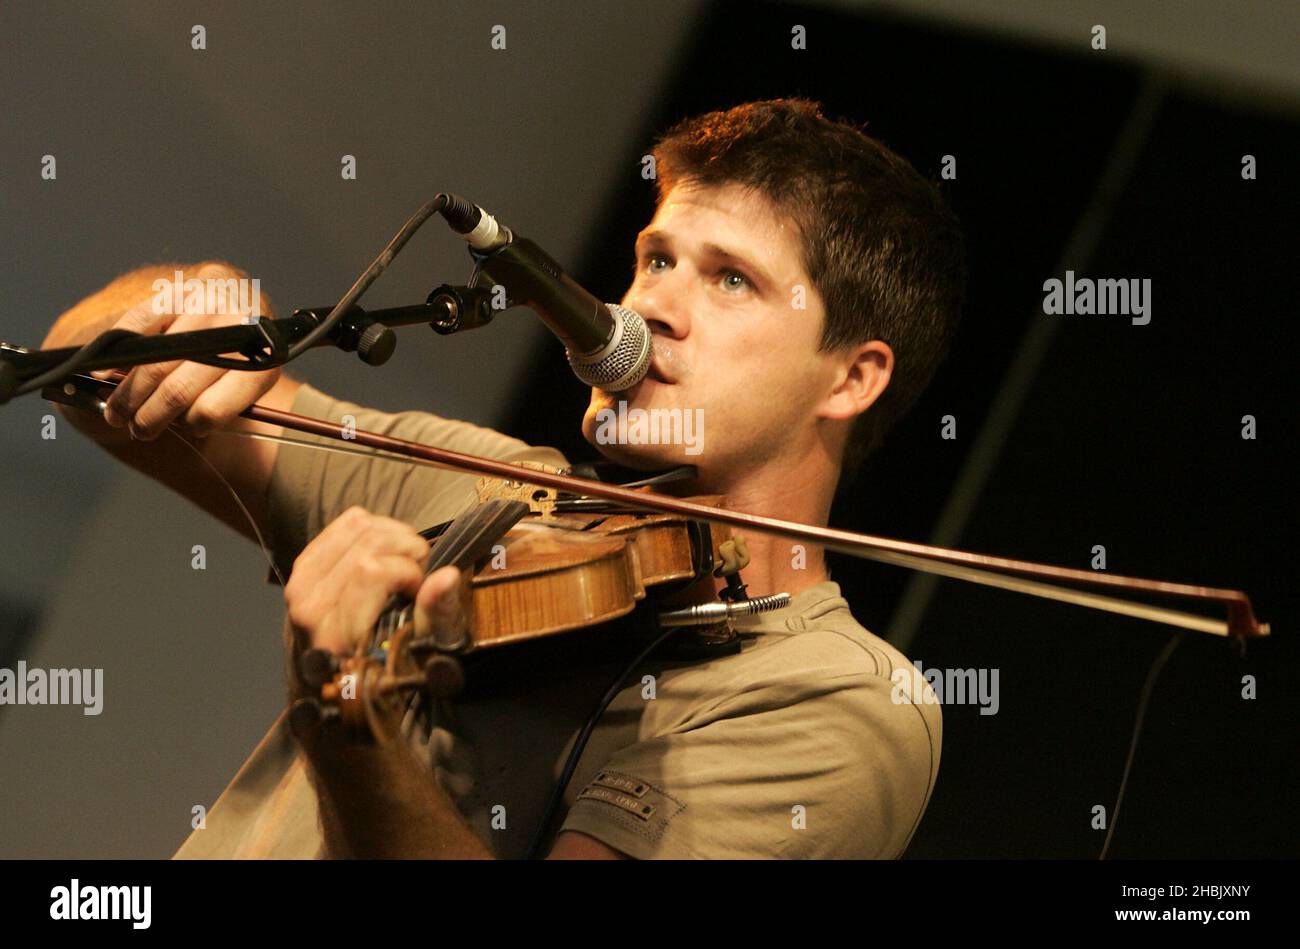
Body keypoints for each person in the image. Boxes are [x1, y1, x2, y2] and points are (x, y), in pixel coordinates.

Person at [44, 98, 965, 859]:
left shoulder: (834, 699)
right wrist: (198, 309)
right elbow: (81, 375)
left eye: (732, 282)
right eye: (656, 258)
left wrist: (348, 725)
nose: (651, 306)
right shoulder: (499, 495)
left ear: (851, 377)